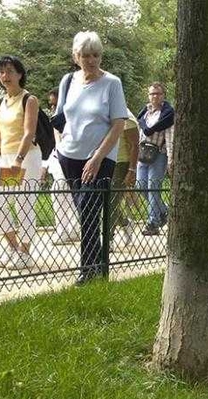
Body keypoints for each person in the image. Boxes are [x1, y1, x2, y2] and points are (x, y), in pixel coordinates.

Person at [54, 31, 127, 285]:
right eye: (85, 56)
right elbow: (59, 118)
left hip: (100, 157)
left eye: (96, 55)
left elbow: (119, 123)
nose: (91, 60)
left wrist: (97, 157)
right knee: (86, 213)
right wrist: (59, 146)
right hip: (69, 156)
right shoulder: (68, 81)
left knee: (88, 210)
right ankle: (98, 267)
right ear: (76, 57)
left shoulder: (112, 83)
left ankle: (88, 270)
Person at [0, 55, 41, 270]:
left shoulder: (29, 100)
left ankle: (25, 252)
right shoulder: (0, 101)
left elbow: (28, 133)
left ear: (19, 74)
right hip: (5, 159)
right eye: (0, 71)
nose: (4, 76)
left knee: (24, 203)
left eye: (9, 71)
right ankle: (14, 246)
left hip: (26, 158)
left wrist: (19, 159)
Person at [137, 82, 174, 236]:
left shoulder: (167, 114)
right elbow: (141, 132)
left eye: (158, 93)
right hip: (143, 153)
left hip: (159, 153)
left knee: (153, 187)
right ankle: (164, 211)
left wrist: (171, 159)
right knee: (141, 186)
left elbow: (170, 137)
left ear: (163, 95)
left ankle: (153, 223)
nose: (154, 96)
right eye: (152, 93)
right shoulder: (144, 113)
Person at [44, 87, 80, 245]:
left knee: (71, 193)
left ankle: (73, 228)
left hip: (75, 157)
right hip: (58, 158)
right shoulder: (55, 119)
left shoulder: (75, 117)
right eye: (51, 105)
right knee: (59, 190)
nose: (53, 108)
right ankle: (64, 229)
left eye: (55, 104)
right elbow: (55, 142)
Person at [111, 108, 139, 247]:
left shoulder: (127, 118)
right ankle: (125, 223)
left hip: (121, 163)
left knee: (111, 202)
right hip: (104, 161)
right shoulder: (105, 112)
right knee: (104, 201)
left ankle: (108, 240)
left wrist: (131, 170)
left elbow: (134, 145)